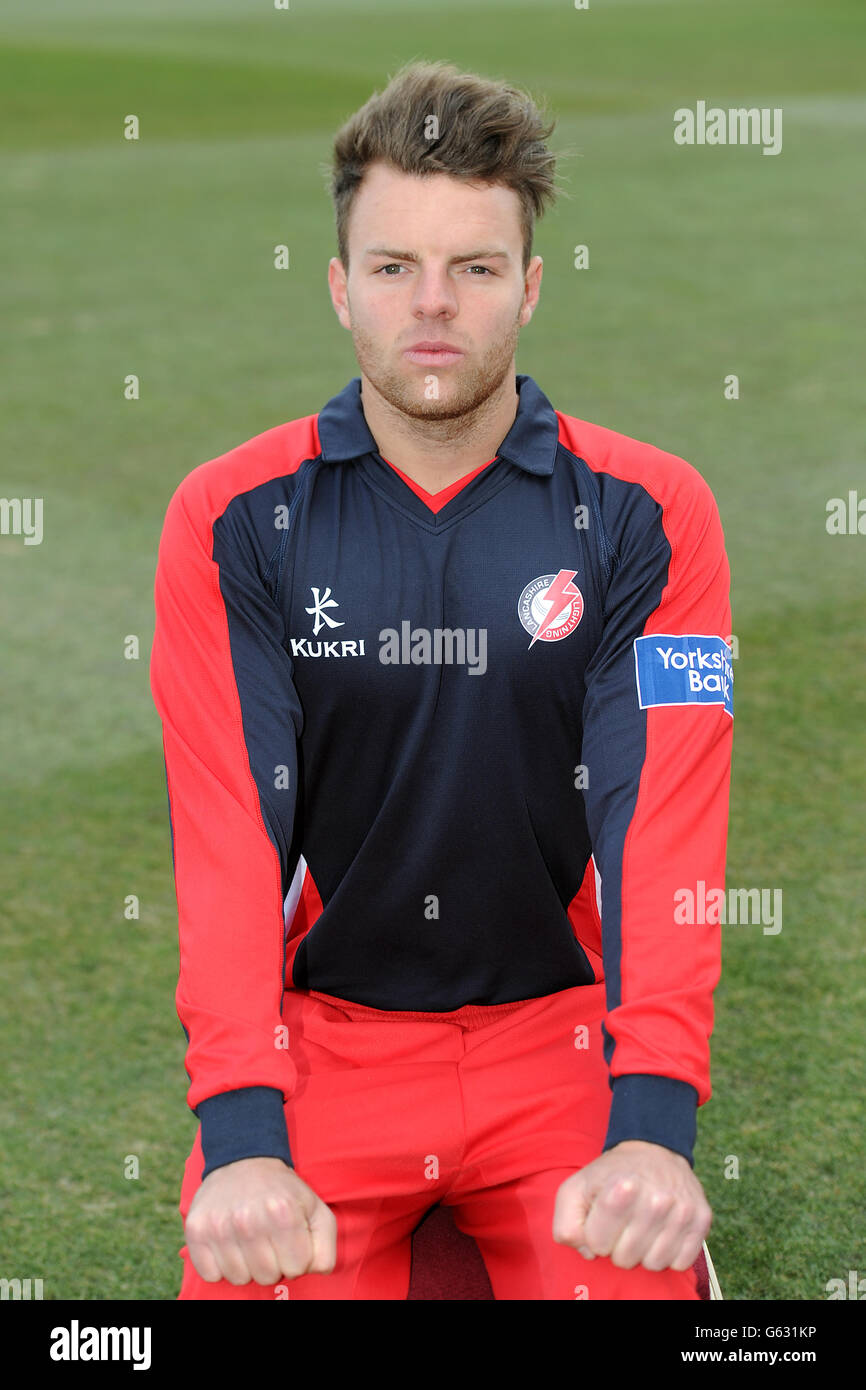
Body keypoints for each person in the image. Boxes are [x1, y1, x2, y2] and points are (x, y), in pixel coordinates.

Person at [149, 60, 733, 1301]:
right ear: (336, 289)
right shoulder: (230, 518)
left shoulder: (651, 514)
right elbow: (225, 836)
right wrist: (245, 1135)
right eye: (391, 266)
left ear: (527, 288)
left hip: (556, 1032)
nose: (431, 305)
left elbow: (662, 821)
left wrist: (653, 1122)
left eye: (472, 268)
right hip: (329, 1046)